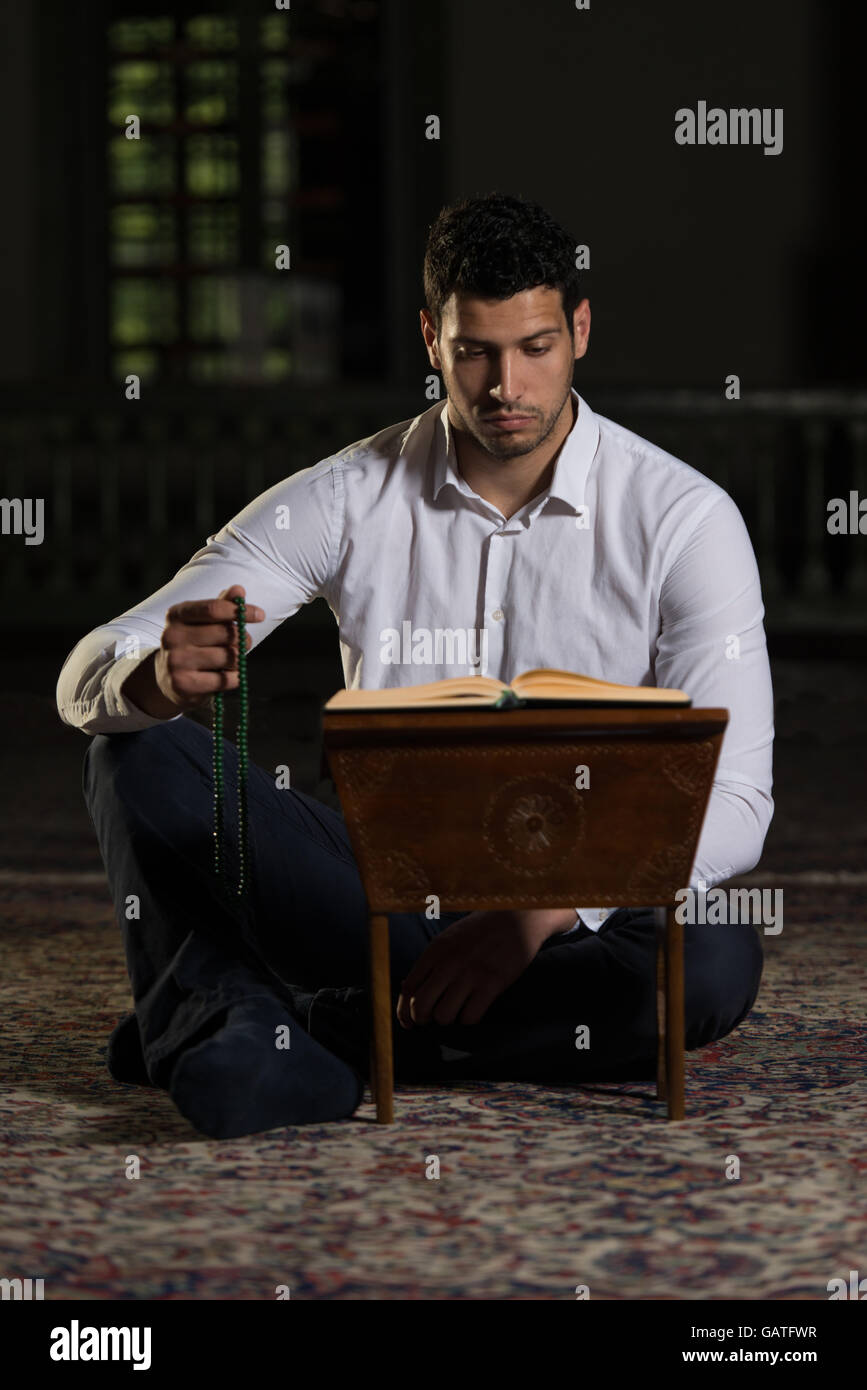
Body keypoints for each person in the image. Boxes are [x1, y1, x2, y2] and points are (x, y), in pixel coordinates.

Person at [56, 192, 773, 1139]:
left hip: (575, 906)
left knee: (715, 960)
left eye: (534, 348)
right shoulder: (351, 492)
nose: (504, 385)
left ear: (580, 332)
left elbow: (738, 801)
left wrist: (541, 913)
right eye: (474, 351)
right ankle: (267, 1022)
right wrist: (149, 677)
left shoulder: (684, 519)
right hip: (377, 895)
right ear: (431, 338)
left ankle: (264, 1026)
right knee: (133, 750)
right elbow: (88, 672)